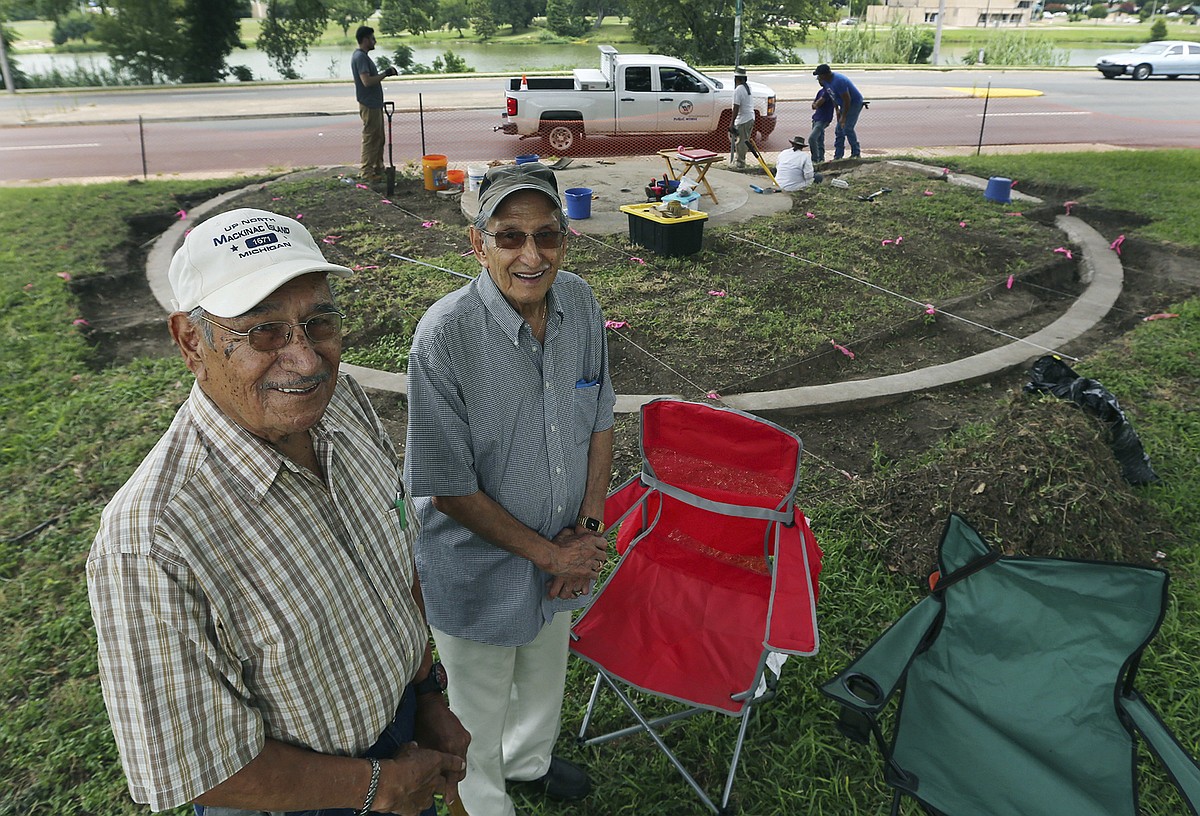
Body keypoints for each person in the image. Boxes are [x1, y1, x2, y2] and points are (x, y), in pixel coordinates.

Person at [87, 208, 469, 816]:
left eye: (319, 322)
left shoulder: (337, 403)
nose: (308, 360)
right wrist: (379, 787)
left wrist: (426, 695)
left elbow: (394, 564)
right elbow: (193, 770)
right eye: (264, 332)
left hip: (401, 732)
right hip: (293, 798)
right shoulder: (152, 539)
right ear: (191, 340)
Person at [405, 162, 616, 816]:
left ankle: (530, 764)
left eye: (547, 236)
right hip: (477, 569)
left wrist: (584, 535)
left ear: (564, 241)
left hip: (560, 551)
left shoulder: (580, 303)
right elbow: (447, 489)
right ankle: (487, 801)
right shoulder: (445, 336)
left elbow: (600, 417)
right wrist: (552, 556)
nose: (531, 254)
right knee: (475, 709)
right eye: (510, 237)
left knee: (543, 679)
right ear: (478, 243)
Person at [352, 25, 398, 182]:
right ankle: (366, 171)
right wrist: (385, 73)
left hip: (375, 103)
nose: (375, 41)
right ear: (365, 40)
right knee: (371, 137)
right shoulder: (360, 57)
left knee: (379, 137)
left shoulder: (363, 56)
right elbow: (366, 81)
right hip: (369, 104)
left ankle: (378, 167)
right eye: (372, 38)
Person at [813, 63, 865, 161]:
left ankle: (856, 153)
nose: (819, 78)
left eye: (820, 75)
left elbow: (847, 100)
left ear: (826, 74)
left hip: (854, 103)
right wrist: (836, 110)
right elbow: (832, 96)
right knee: (839, 130)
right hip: (842, 104)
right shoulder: (826, 82)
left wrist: (843, 117)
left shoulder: (839, 81)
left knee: (847, 128)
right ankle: (838, 156)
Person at [729, 66, 756, 170]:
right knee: (744, 141)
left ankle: (740, 164)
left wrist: (732, 122)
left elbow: (736, 107)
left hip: (743, 119)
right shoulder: (747, 87)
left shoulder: (738, 90)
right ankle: (740, 161)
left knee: (741, 143)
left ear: (737, 78)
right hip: (749, 117)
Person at [809, 78, 835, 165]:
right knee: (819, 140)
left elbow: (819, 103)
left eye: (821, 80)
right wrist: (815, 104)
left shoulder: (828, 92)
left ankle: (815, 159)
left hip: (824, 119)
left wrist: (816, 104)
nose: (820, 82)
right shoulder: (820, 91)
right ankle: (821, 159)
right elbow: (814, 105)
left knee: (812, 138)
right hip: (816, 118)